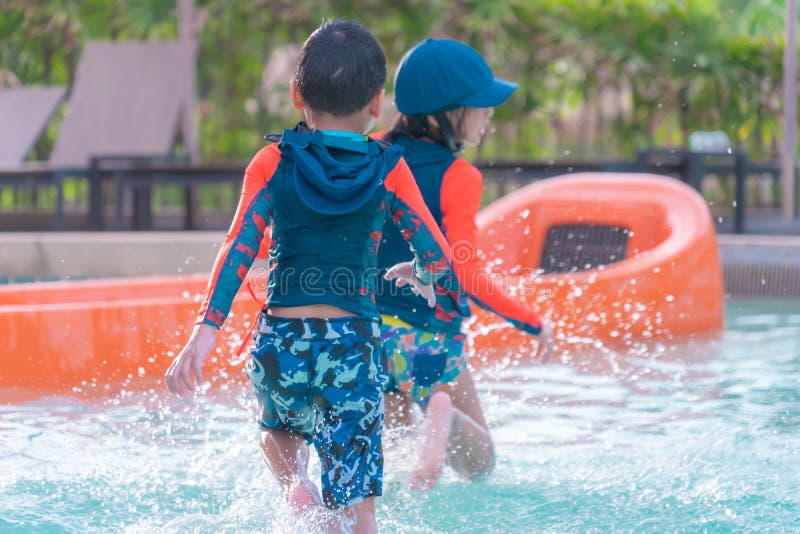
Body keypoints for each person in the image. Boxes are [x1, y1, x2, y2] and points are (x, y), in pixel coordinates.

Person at [164, 20, 455, 534]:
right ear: (375, 104)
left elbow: (239, 248)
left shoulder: (273, 160)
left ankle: (297, 490)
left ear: (297, 94)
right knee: (360, 507)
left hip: (283, 341)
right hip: (353, 345)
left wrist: (204, 331)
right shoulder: (390, 168)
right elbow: (439, 259)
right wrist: (423, 273)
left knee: (277, 432)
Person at [374, 38, 554, 491]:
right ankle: (444, 419)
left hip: (370, 333)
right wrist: (531, 321)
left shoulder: (368, 154)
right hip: (430, 338)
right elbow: (465, 272)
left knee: (392, 456)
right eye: (481, 105)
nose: (489, 114)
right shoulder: (458, 176)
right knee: (479, 465)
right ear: (445, 114)